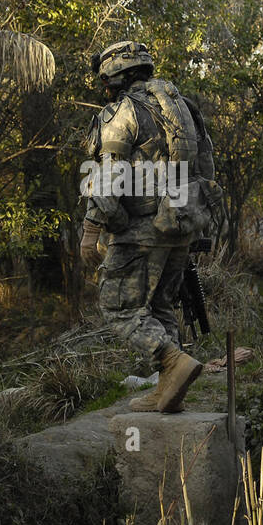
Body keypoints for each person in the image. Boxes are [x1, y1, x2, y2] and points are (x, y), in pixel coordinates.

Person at [79, 41, 221, 413]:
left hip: (140, 230)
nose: (104, 88)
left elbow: (109, 175)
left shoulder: (122, 112)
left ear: (118, 77)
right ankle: (167, 390)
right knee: (159, 305)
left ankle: (173, 362)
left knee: (120, 308)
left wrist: (93, 227)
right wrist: (195, 222)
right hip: (181, 224)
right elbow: (206, 169)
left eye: (106, 81)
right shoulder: (183, 108)